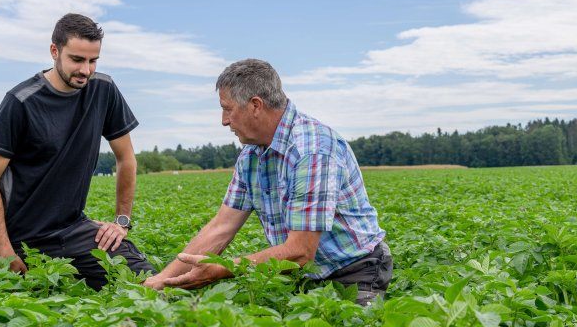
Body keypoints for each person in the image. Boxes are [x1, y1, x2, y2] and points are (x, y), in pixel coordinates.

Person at [145, 59, 392, 305]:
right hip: (304, 275)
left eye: (227, 108)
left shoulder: (312, 149)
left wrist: (223, 268)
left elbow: (300, 251)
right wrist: (160, 281)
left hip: (355, 271)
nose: (224, 120)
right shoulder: (251, 156)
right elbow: (221, 227)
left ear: (255, 105)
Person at [0, 13, 156, 290]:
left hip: (71, 231)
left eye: (93, 60)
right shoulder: (21, 102)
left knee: (148, 282)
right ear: (54, 52)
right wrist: (3, 250)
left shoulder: (103, 90)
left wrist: (122, 222)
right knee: (29, 301)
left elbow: (126, 158)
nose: (85, 70)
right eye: (77, 59)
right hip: (18, 238)